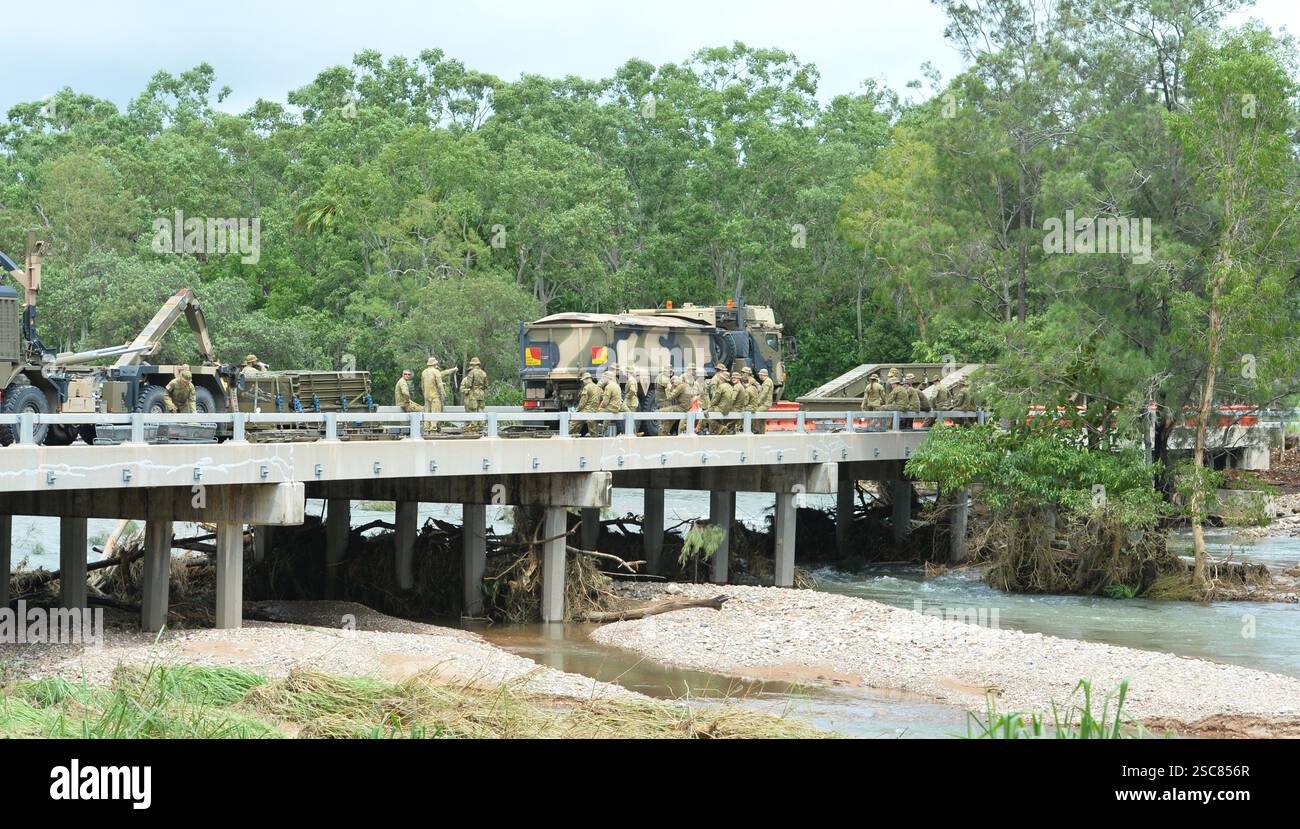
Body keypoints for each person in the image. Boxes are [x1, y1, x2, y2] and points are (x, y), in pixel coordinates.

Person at [421, 357, 458, 434]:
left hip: (427, 396)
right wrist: (443, 394)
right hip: (435, 396)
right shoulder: (436, 371)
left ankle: (426, 429)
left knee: (427, 413)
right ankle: (433, 429)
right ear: (435, 364)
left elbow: (422, 385)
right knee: (435, 413)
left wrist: (453, 369)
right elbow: (440, 385)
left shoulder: (424, 372)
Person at [460, 357, 488, 433]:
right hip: (481, 394)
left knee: (473, 410)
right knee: (481, 409)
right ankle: (481, 426)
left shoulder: (471, 373)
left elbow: (469, 384)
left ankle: (473, 427)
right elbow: (486, 385)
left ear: (473, 364)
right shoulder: (483, 373)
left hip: (473, 394)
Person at [570, 371, 601, 436]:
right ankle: (595, 439)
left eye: (583, 380)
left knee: (574, 423)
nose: (583, 382)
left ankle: (570, 435)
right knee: (593, 430)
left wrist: (577, 410)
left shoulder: (586, 388)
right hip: (595, 410)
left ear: (587, 379)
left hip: (587, 410)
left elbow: (582, 402)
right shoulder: (598, 387)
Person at [598, 371, 624, 435]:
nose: (602, 380)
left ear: (607, 378)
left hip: (611, 408)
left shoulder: (608, 387)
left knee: (594, 413)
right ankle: (605, 432)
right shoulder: (616, 385)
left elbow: (605, 402)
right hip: (617, 407)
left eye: (603, 378)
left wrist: (599, 407)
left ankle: (602, 433)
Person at [753, 367, 774, 434]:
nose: (759, 376)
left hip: (765, 404)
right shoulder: (766, 381)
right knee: (761, 419)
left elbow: (764, 393)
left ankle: (757, 430)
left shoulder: (767, 382)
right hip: (764, 403)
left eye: (760, 375)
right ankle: (761, 433)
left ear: (763, 375)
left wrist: (758, 402)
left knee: (756, 413)